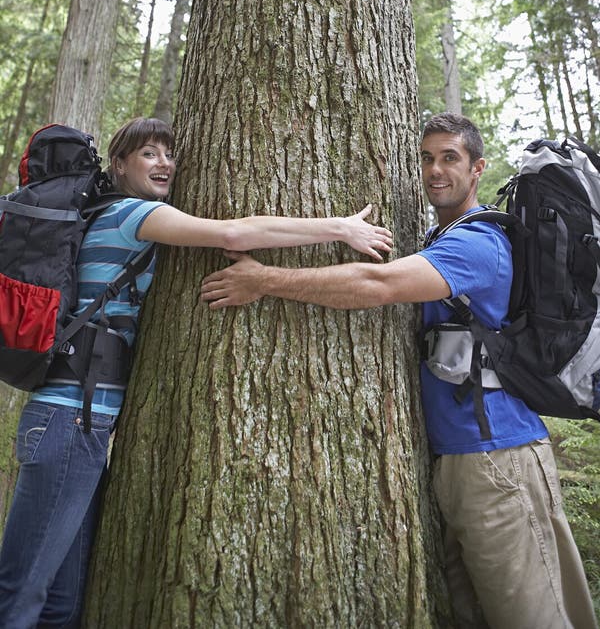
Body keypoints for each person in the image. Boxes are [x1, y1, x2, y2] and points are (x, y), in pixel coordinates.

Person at [201, 112, 598, 629]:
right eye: (426, 157)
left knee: (531, 617)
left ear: (477, 169)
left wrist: (265, 280)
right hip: (461, 459)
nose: (435, 170)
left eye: (449, 158)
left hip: (497, 460)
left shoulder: (477, 245)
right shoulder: (440, 236)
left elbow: (378, 285)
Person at [0, 116, 393, 629]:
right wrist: (338, 227)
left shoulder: (101, 217)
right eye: (148, 154)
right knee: (22, 593)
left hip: (81, 428)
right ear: (118, 166)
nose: (164, 162)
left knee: (62, 602)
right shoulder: (129, 214)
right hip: (69, 424)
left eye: (168, 152)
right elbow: (235, 232)